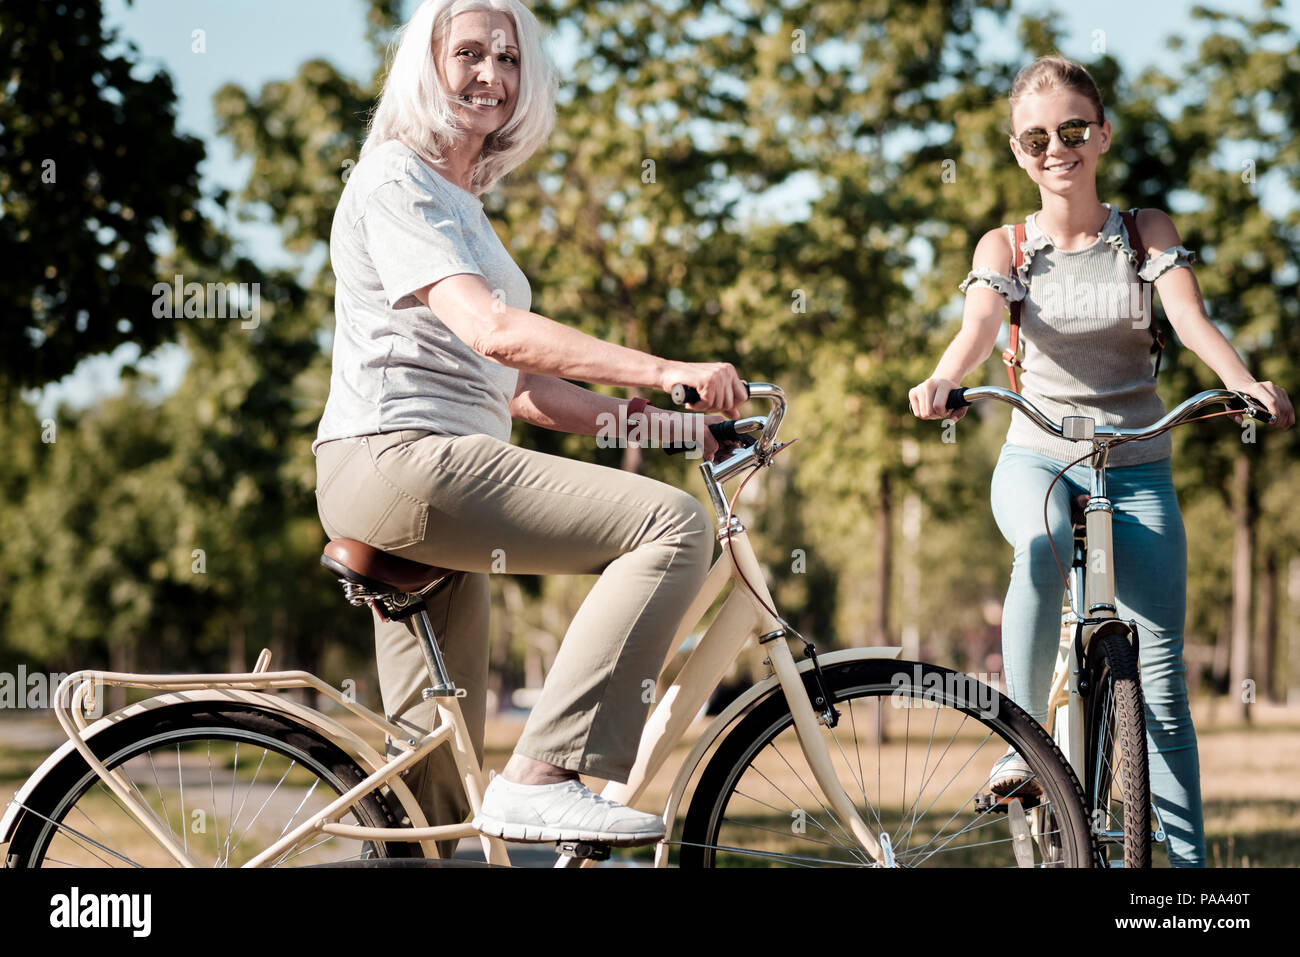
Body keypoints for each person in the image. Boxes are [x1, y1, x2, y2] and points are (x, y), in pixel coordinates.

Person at [312, 0, 746, 855]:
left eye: (507, 58)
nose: (490, 74)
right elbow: (493, 331)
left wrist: (670, 429)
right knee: (672, 526)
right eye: (468, 53)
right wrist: (664, 368)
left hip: (432, 480)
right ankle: (546, 774)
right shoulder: (395, 178)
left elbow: (520, 388)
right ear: (425, 66)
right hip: (402, 461)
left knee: (430, 801)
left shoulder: (460, 204)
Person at [908, 55, 1293, 868]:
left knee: (1161, 688)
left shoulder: (1145, 231)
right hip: (1038, 457)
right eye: (1038, 136)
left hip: (1140, 464)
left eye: (1074, 129)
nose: (1058, 148)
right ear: (1018, 150)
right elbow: (978, 327)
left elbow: (1188, 318)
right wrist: (947, 376)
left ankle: (1183, 880)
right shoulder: (1007, 245)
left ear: (1102, 135)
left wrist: (1241, 380)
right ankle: (1026, 740)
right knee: (1043, 539)